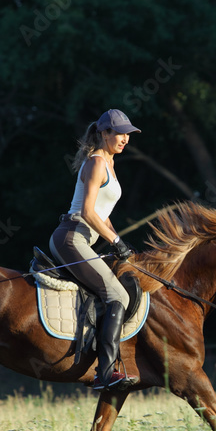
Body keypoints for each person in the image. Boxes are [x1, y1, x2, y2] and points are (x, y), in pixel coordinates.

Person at [49, 109, 140, 390]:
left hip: (82, 239)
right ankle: (105, 372)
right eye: (120, 133)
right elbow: (88, 212)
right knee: (117, 296)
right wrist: (115, 242)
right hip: (71, 238)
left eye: (128, 134)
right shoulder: (97, 163)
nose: (125, 138)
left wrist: (119, 240)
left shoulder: (110, 164)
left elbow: (103, 213)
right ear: (104, 134)